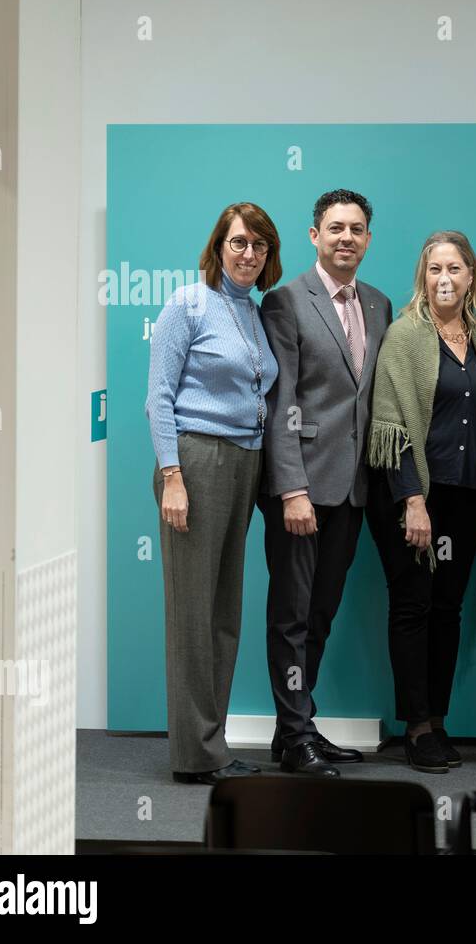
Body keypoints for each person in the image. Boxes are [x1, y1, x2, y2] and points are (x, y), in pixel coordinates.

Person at [259, 189, 392, 778]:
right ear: (315, 235)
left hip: (354, 489)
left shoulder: (381, 304)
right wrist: (291, 488)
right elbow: (280, 399)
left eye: (356, 229)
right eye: (335, 228)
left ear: (368, 239)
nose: (346, 238)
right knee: (291, 615)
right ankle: (294, 732)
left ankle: (297, 729)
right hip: (301, 490)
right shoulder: (285, 302)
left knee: (321, 614)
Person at [147, 201, 282, 784]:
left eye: (259, 245)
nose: (248, 253)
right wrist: (173, 476)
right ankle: (193, 757)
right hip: (196, 462)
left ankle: (213, 743)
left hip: (245, 462)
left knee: (224, 612)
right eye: (238, 243)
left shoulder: (253, 313)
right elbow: (158, 397)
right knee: (193, 614)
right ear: (218, 246)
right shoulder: (189, 302)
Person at [366, 231, 476, 774]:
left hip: (468, 495)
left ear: (471, 278)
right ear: (424, 276)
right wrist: (413, 502)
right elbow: (391, 424)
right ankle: (415, 728)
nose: (445, 279)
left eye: (455, 269)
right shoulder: (405, 335)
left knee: (448, 608)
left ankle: (439, 721)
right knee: (414, 605)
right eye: (435, 269)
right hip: (415, 496)